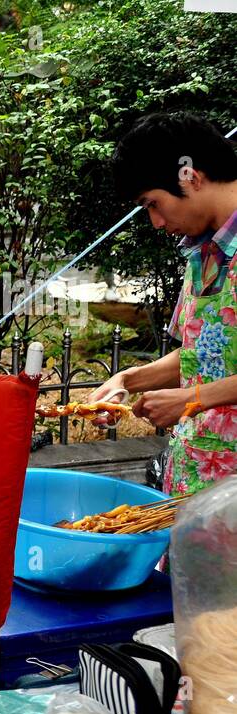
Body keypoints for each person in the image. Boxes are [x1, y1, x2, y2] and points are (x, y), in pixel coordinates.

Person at [93, 113, 237, 495]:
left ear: (192, 177)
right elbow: (203, 354)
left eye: (153, 204)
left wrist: (192, 398)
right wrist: (127, 379)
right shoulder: (203, 253)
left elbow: (199, 385)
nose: (156, 222)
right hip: (196, 492)